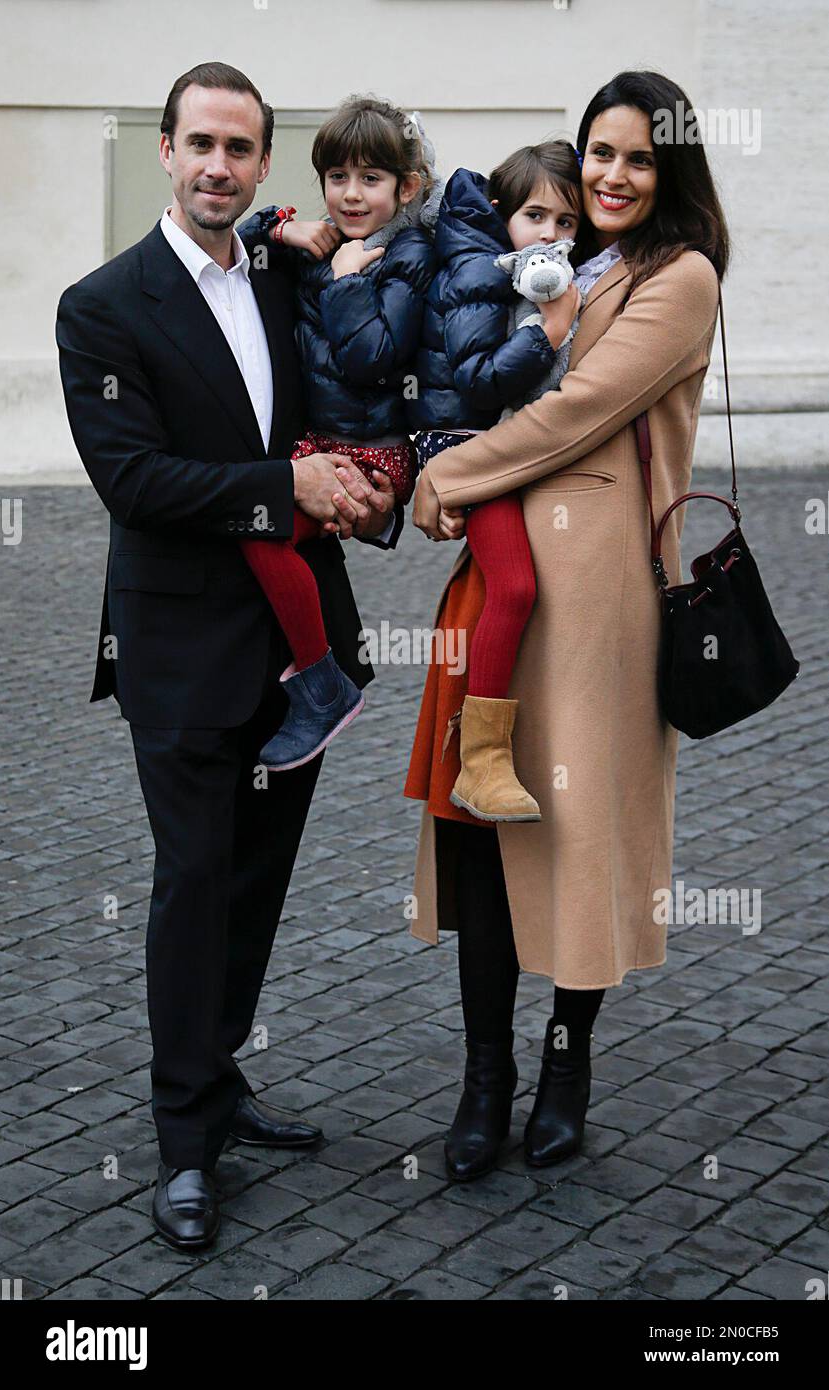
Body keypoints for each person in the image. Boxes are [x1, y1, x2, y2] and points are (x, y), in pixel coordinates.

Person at [56, 62, 402, 1251]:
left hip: (294, 644)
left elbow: (346, 406)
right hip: (183, 646)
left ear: (262, 162)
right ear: (164, 150)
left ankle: (221, 1076)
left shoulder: (283, 272)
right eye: (199, 142)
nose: (218, 165)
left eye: (240, 147)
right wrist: (282, 488)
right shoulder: (102, 305)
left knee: (255, 882)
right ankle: (182, 1142)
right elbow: (134, 481)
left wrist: (370, 485)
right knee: (194, 882)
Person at [405, 70, 730, 1182]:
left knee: (579, 833)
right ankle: (482, 1077)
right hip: (499, 589)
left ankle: (564, 1065)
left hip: (598, 595)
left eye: (638, 157)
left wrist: (447, 470)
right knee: (484, 834)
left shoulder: (678, 277)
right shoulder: (547, 251)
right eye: (599, 152)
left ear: (671, 168)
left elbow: (579, 408)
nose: (611, 175)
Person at [237, 96, 440, 771]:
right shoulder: (324, 238)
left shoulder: (406, 255)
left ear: (405, 187)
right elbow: (233, 242)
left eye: (371, 179)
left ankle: (323, 685)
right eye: (337, 177)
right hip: (322, 443)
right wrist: (277, 226)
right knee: (256, 526)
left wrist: (349, 283)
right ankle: (307, 676)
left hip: (370, 449)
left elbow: (372, 358)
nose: (350, 195)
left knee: (262, 531)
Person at [411, 142, 583, 821]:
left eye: (566, 222)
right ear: (501, 215)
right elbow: (481, 380)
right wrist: (552, 330)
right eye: (534, 215)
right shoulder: (486, 272)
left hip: (500, 450)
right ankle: (480, 763)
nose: (549, 234)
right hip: (471, 450)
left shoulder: (534, 274)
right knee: (513, 585)